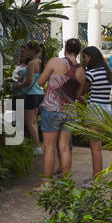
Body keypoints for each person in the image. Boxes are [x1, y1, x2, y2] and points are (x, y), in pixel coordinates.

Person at [37, 37, 83, 179]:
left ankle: (47, 184)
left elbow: (40, 82)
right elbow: (78, 95)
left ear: (65, 49)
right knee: (64, 148)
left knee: (49, 148)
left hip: (52, 109)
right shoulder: (82, 71)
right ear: (78, 52)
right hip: (70, 111)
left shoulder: (54, 62)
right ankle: (66, 183)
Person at [79, 45, 112, 177]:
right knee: (98, 146)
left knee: (94, 146)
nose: (84, 60)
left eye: (85, 57)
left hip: (95, 110)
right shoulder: (107, 72)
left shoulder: (90, 74)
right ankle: (97, 177)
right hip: (106, 109)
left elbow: (81, 92)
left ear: (91, 58)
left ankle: (97, 178)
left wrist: (82, 70)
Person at [22, 42, 44, 154]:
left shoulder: (31, 63)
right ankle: (37, 145)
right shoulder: (41, 62)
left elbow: (29, 81)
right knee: (34, 121)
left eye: (27, 49)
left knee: (28, 121)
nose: (25, 52)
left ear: (32, 51)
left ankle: (37, 146)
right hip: (39, 93)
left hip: (31, 94)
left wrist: (18, 85)